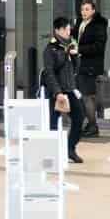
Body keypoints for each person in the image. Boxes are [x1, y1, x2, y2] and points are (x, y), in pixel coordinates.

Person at [41, 17, 86, 164]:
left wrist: (74, 56)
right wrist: (57, 92)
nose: (68, 32)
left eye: (69, 29)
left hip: (70, 89)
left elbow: (75, 69)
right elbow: (49, 73)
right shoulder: (51, 49)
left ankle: (70, 148)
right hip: (56, 91)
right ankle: (52, 153)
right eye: (65, 29)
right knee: (53, 123)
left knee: (79, 117)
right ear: (57, 30)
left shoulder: (70, 45)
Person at [74, 0, 108, 140]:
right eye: (82, 9)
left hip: (91, 65)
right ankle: (89, 124)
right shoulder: (80, 23)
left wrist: (79, 49)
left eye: (87, 9)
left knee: (87, 96)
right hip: (80, 64)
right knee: (82, 95)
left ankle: (93, 126)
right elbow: (75, 39)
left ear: (93, 10)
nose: (84, 12)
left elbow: (99, 46)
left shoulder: (98, 25)